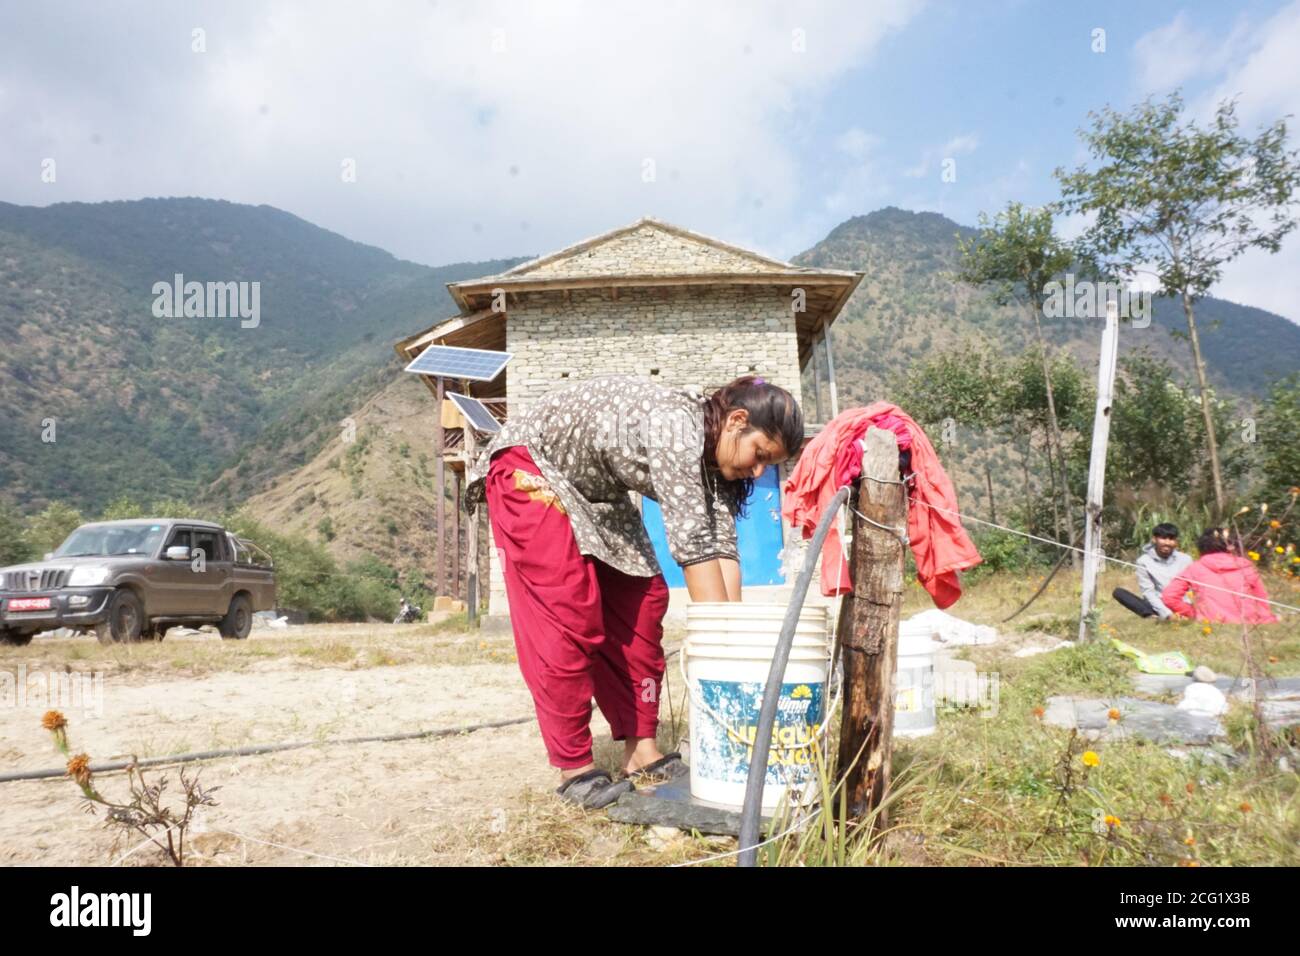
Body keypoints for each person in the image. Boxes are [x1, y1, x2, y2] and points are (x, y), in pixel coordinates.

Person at [464, 375, 803, 809]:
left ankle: (642, 751)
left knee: (644, 601)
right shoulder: (678, 426)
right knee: (568, 612)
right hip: (532, 467)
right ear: (737, 421)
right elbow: (693, 546)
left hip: (595, 494)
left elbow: (721, 547)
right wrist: (725, 656)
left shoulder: (713, 458)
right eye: (759, 455)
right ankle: (575, 769)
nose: (758, 472)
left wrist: (731, 647)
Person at [1162, 528, 1280, 625]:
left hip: (1211, 622)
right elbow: (1260, 599)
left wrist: (1194, 613)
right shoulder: (1246, 566)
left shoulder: (1195, 567)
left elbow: (1169, 596)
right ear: (1230, 545)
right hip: (1247, 623)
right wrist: (1266, 620)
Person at [1112, 523, 1191, 619]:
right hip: (1158, 604)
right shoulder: (1144, 561)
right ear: (1154, 539)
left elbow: (1192, 590)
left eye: (1171, 539)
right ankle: (1156, 616)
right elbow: (1148, 592)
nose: (1167, 542)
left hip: (1182, 604)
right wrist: (1167, 614)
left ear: (1176, 542)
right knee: (1120, 593)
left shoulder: (1185, 559)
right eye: (1163, 538)